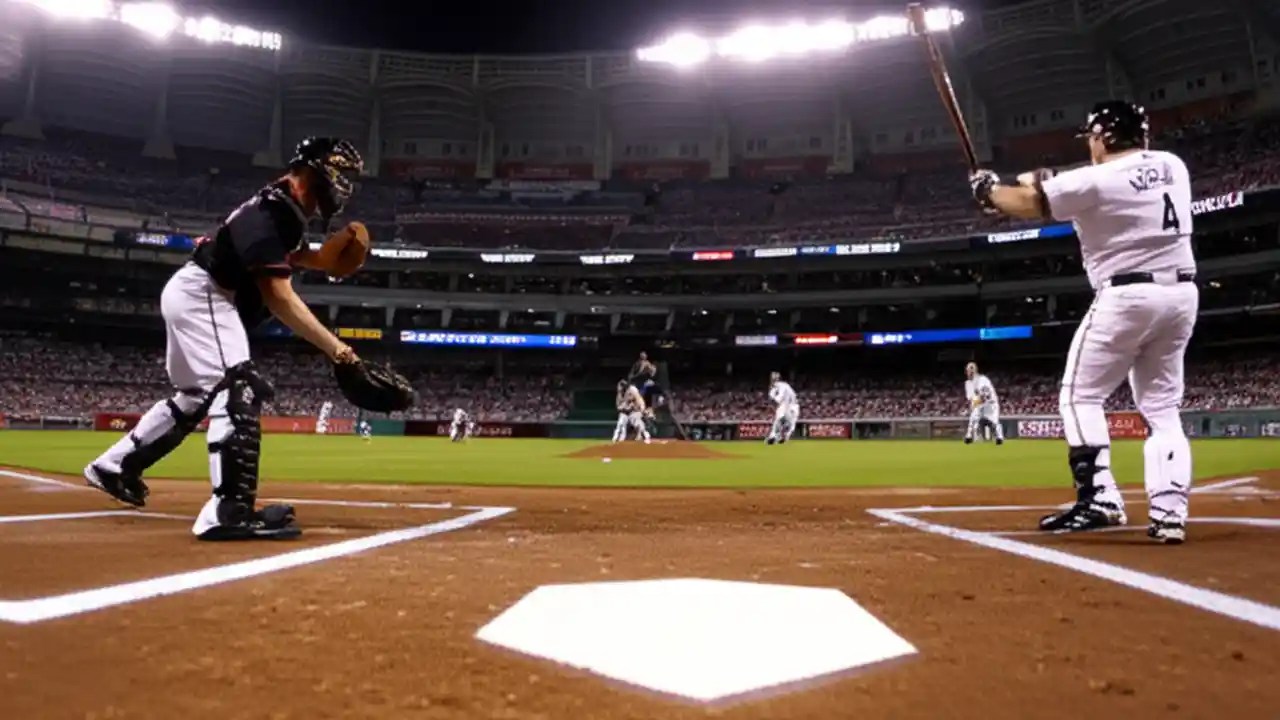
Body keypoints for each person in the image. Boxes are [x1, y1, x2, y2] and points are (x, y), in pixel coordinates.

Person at [83, 137, 366, 541]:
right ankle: (227, 511)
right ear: (313, 169)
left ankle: (114, 466)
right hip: (207, 295)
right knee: (240, 387)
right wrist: (339, 351)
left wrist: (321, 261)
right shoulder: (272, 213)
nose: (344, 184)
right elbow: (280, 298)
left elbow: (288, 256)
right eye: (340, 172)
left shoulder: (284, 210)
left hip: (196, 292)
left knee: (195, 397)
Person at [970, 100, 1197, 544]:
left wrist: (988, 191)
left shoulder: (1094, 181)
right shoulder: (1172, 165)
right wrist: (1013, 182)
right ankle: (1170, 514)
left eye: (1092, 137)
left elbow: (1029, 201)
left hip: (1126, 297)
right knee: (1163, 411)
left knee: (1080, 396)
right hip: (1181, 296)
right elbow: (1059, 181)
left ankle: (1100, 498)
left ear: (1102, 137)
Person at [963, 362, 1004, 445]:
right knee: (972, 418)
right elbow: (972, 398)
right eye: (968, 371)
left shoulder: (983, 379)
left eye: (971, 371)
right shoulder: (968, 383)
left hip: (991, 403)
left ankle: (1000, 437)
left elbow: (984, 396)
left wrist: (974, 404)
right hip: (979, 404)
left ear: (974, 371)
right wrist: (971, 407)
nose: (969, 373)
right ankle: (969, 436)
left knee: (995, 421)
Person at [765, 371, 799, 445]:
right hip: (793, 405)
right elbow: (774, 397)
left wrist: (772, 398)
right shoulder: (782, 385)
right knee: (789, 424)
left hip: (787, 405)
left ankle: (775, 436)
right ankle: (780, 437)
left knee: (779, 420)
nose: (773, 379)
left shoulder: (780, 386)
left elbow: (778, 398)